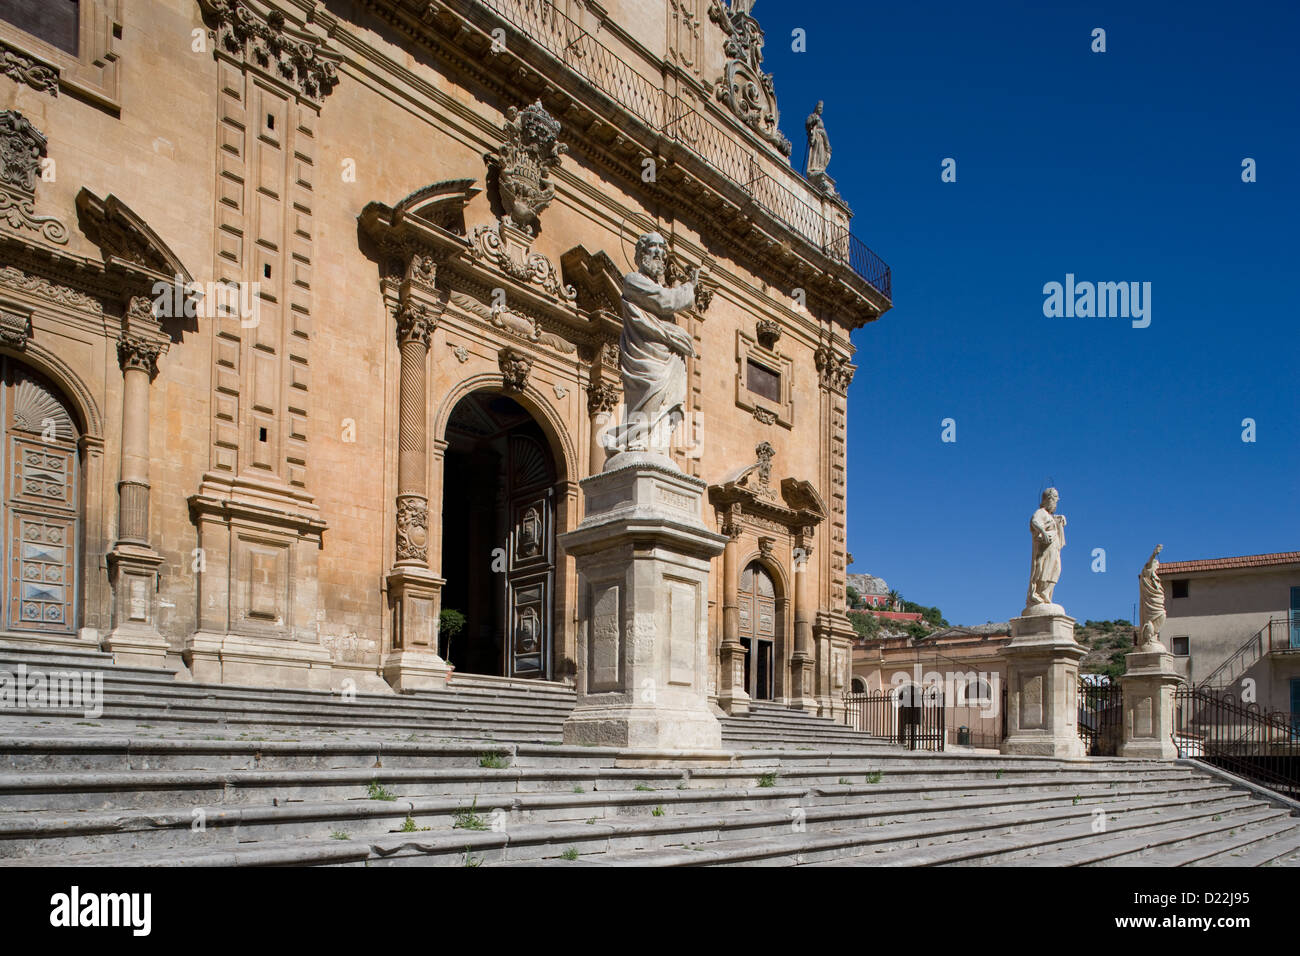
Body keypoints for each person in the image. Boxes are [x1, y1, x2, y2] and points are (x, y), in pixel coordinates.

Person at [607, 232, 697, 459]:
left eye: (661, 248)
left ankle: (655, 447)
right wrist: (689, 287)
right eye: (652, 247)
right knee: (647, 397)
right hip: (644, 357)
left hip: (665, 356)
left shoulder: (659, 286)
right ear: (640, 254)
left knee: (665, 405)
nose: (658, 252)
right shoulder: (633, 281)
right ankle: (636, 440)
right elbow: (666, 301)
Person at [1027, 488, 1066, 608]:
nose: (1056, 504)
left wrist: (1059, 519)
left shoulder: (1049, 515)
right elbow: (1034, 521)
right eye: (1055, 501)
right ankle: (1039, 593)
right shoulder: (1041, 512)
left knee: (1056, 569)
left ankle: (1046, 592)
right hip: (1044, 549)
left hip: (1053, 547)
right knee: (1043, 570)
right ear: (1049, 500)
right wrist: (1043, 532)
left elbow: (1052, 521)